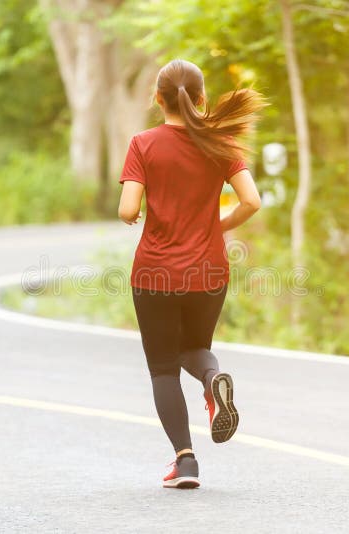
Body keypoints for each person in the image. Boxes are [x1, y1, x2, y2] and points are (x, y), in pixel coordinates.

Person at [118, 59, 265, 489]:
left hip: (155, 274)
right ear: (200, 98)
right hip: (209, 270)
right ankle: (211, 378)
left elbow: (128, 209)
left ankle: (185, 462)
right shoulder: (221, 144)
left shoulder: (143, 144)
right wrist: (214, 227)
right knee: (195, 348)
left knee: (164, 367)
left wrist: (138, 215)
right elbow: (252, 201)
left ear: (157, 99)